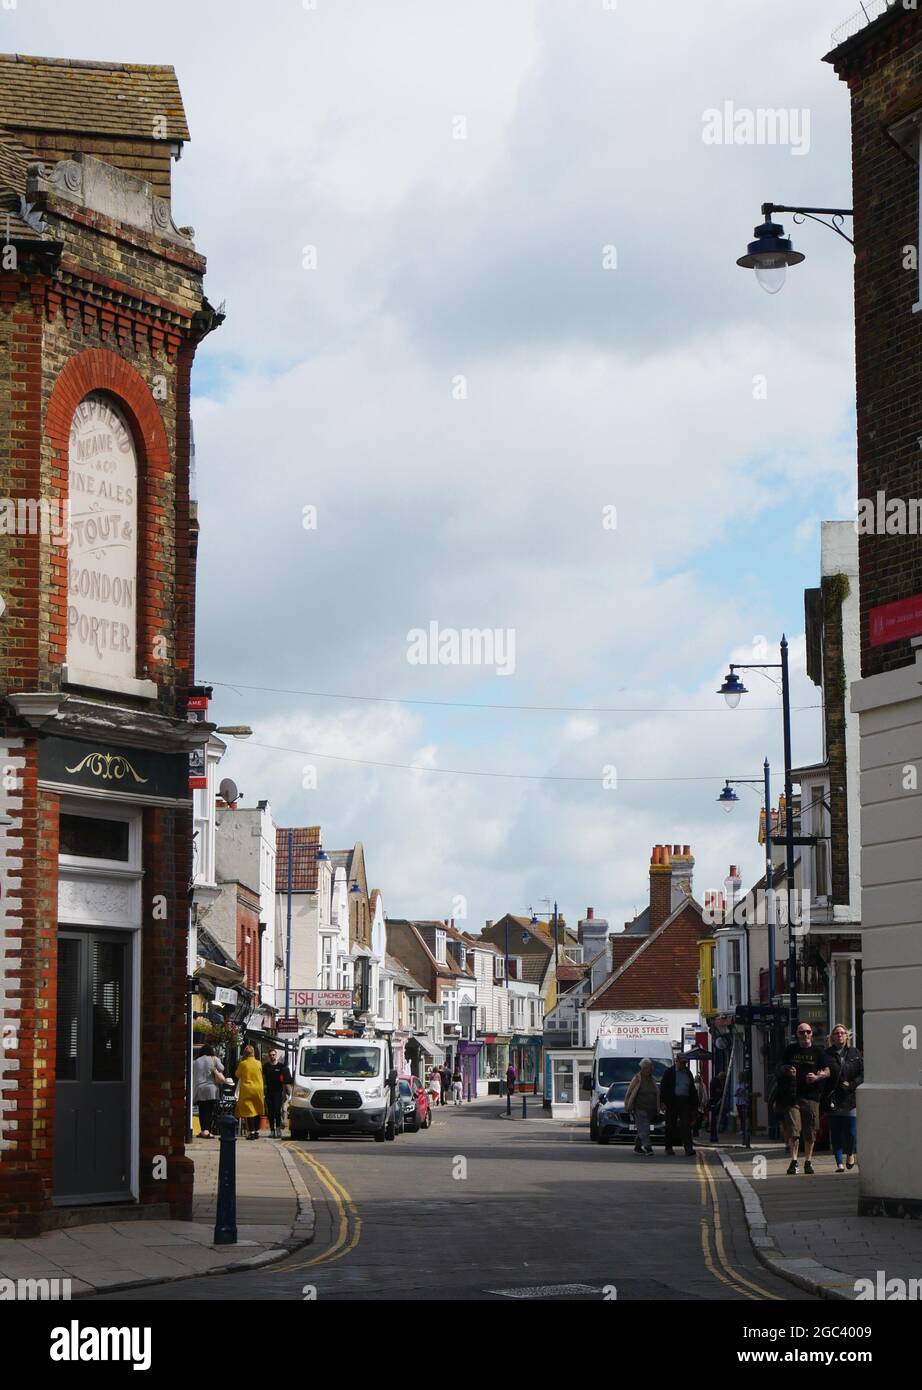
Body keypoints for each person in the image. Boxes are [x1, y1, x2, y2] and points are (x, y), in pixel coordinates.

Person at [778, 1023, 832, 1174]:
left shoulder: (818, 1052)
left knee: (810, 1132)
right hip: (792, 1096)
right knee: (794, 1131)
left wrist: (816, 1077)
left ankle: (808, 1161)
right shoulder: (790, 1050)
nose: (805, 1035)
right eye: (801, 1032)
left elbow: (827, 1072)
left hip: (811, 1096)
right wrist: (787, 1070)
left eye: (808, 1032)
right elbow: (779, 1067)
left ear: (812, 1034)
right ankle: (794, 1161)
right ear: (797, 1034)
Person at [824, 1024, 863, 1172]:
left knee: (851, 1132)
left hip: (850, 1098)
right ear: (832, 1037)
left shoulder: (854, 1053)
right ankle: (839, 1162)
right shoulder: (826, 1054)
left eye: (842, 1033)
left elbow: (862, 1073)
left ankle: (850, 1154)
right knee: (836, 1132)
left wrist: (852, 1084)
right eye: (836, 1033)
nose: (840, 1035)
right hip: (833, 1098)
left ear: (847, 1036)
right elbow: (822, 1072)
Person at [660, 1053, 698, 1156]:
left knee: (685, 1125)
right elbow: (663, 1087)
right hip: (672, 1101)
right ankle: (668, 1148)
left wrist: (695, 1105)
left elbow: (692, 1090)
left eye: (685, 1063)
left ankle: (688, 1148)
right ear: (677, 1061)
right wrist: (662, 1102)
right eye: (682, 1062)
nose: (683, 1065)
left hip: (685, 1101)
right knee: (670, 1125)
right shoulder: (670, 1072)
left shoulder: (688, 1073)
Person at [623, 1058, 660, 1155]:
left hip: (651, 1109)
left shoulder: (652, 1079)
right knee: (645, 1128)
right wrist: (627, 1105)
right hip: (640, 1108)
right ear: (643, 1068)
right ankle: (648, 1148)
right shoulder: (637, 1078)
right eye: (649, 1067)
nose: (651, 1069)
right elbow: (629, 1092)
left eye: (651, 1067)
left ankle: (637, 1147)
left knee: (642, 1128)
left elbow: (656, 1093)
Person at [193, 1044, 230, 1138]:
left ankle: (203, 1130)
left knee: (202, 1110)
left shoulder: (196, 1061)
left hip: (200, 1088)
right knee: (209, 1110)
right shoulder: (214, 1059)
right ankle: (207, 1131)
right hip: (211, 1088)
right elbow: (222, 1068)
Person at [235, 1045, 266, 1140]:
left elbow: (237, 1074)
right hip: (258, 1088)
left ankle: (251, 1132)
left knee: (249, 1111)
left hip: (247, 1088)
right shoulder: (258, 1063)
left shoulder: (243, 1063)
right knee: (257, 1109)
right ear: (253, 1053)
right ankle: (256, 1131)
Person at [262, 1046, 293, 1138]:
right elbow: (263, 1078)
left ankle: (278, 1129)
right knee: (270, 1112)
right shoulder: (266, 1066)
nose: (272, 1056)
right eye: (271, 1055)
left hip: (278, 1092)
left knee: (277, 1111)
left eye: (274, 1055)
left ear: (276, 1055)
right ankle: (272, 1131)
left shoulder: (281, 1066)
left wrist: (285, 1092)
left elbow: (285, 1080)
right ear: (268, 1056)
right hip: (269, 1092)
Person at [735, 1070, 751, 1148]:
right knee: (741, 1117)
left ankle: (745, 1136)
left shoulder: (746, 1084)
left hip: (744, 1102)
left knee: (745, 1119)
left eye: (741, 1076)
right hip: (738, 1102)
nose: (739, 1077)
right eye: (739, 1076)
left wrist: (743, 1091)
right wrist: (738, 1092)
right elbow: (736, 1093)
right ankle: (743, 1132)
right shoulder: (738, 1084)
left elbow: (747, 1092)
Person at [709, 1070, 726, 1142]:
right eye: (722, 1079)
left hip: (715, 1101)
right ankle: (713, 1136)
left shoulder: (714, 1080)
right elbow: (717, 1090)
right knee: (714, 1119)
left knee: (715, 1119)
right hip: (716, 1101)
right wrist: (723, 1091)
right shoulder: (715, 1081)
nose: (722, 1080)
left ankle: (714, 1136)